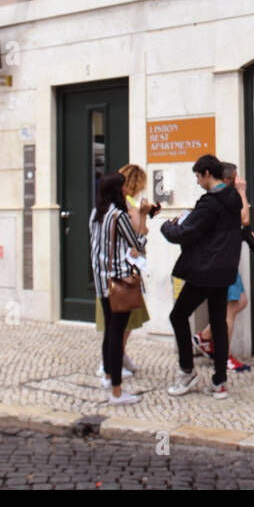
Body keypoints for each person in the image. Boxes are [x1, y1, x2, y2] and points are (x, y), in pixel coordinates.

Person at [161, 154, 243, 399]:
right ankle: (219, 381)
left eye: (198, 176)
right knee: (218, 322)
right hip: (224, 269)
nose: (197, 181)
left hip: (205, 270)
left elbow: (186, 232)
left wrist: (168, 226)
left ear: (207, 173)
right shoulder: (233, 199)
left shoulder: (210, 202)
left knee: (178, 315)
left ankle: (187, 371)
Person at [93, 163, 155, 384]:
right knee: (117, 329)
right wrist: (145, 216)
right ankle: (114, 384)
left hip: (102, 279)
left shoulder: (96, 213)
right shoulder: (119, 214)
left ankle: (110, 373)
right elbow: (137, 240)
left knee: (112, 329)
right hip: (120, 278)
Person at [194, 161, 251, 372]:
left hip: (225, 257)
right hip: (223, 259)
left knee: (240, 301)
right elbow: (244, 218)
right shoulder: (226, 196)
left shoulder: (219, 197)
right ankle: (223, 355)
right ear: (229, 179)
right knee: (228, 309)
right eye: (236, 177)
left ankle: (204, 337)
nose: (239, 180)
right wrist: (242, 192)